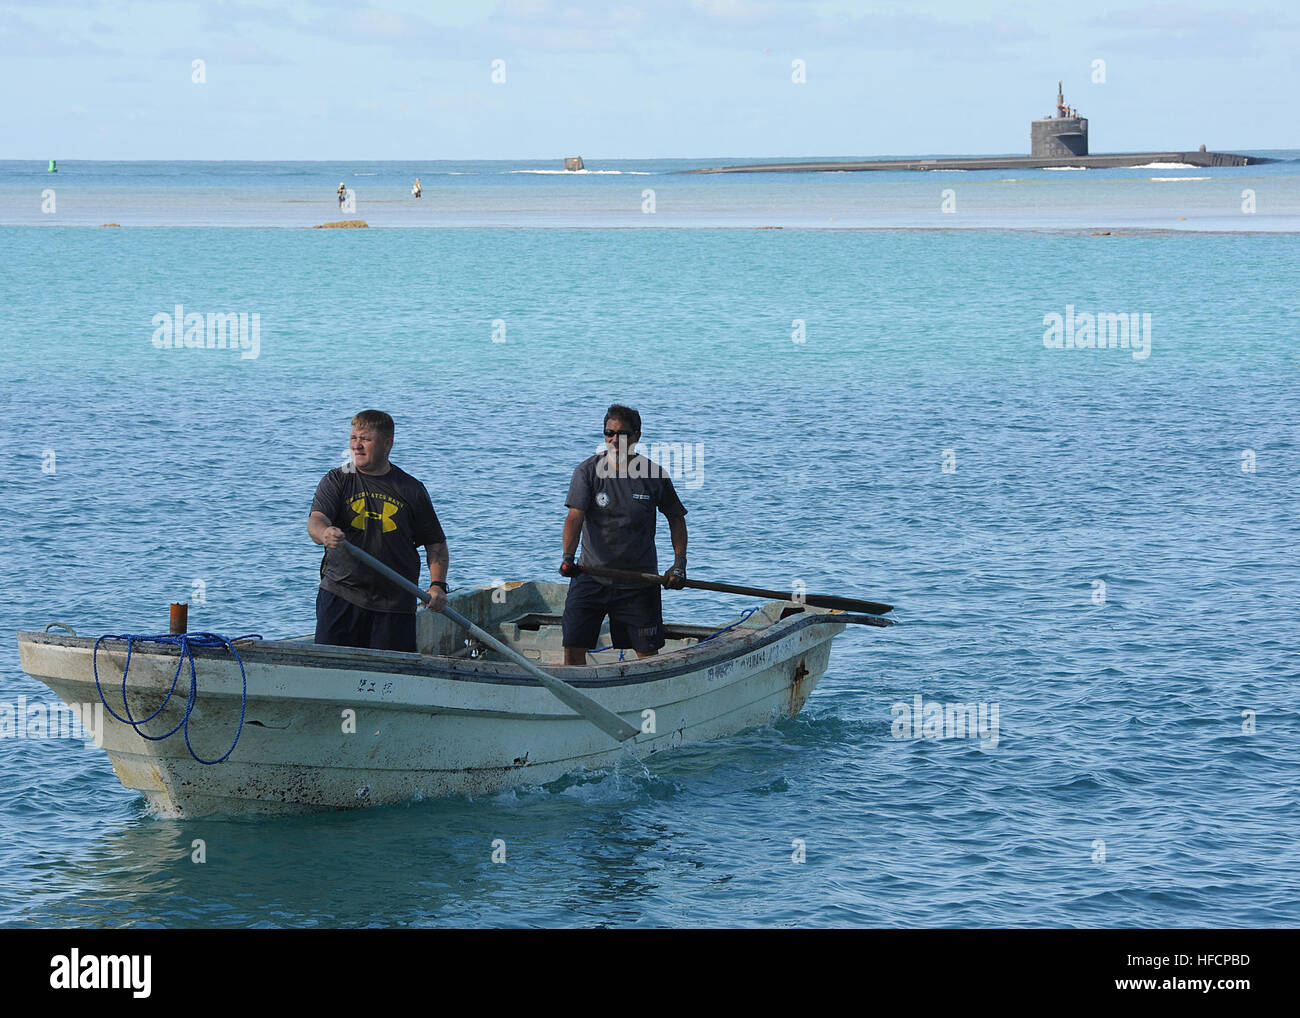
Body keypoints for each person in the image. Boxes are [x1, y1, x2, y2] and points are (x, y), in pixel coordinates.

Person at [308, 410, 448, 652]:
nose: (357, 446)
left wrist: (437, 585)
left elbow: (435, 545)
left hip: (394, 606)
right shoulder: (338, 480)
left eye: (366, 439)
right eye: (353, 439)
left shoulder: (411, 489)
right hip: (341, 597)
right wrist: (325, 534)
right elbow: (316, 521)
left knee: (389, 677)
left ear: (387, 444)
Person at [558, 405, 688, 666]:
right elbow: (574, 517)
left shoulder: (654, 475)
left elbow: (676, 519)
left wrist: (679, 564)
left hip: (639, 582)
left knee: (647, 659)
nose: (615, 440)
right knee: (573, 649)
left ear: (637, 437)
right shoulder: (587, 472)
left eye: (623, 434)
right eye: (609, 433)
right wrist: (568, 557)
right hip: (590, 576)